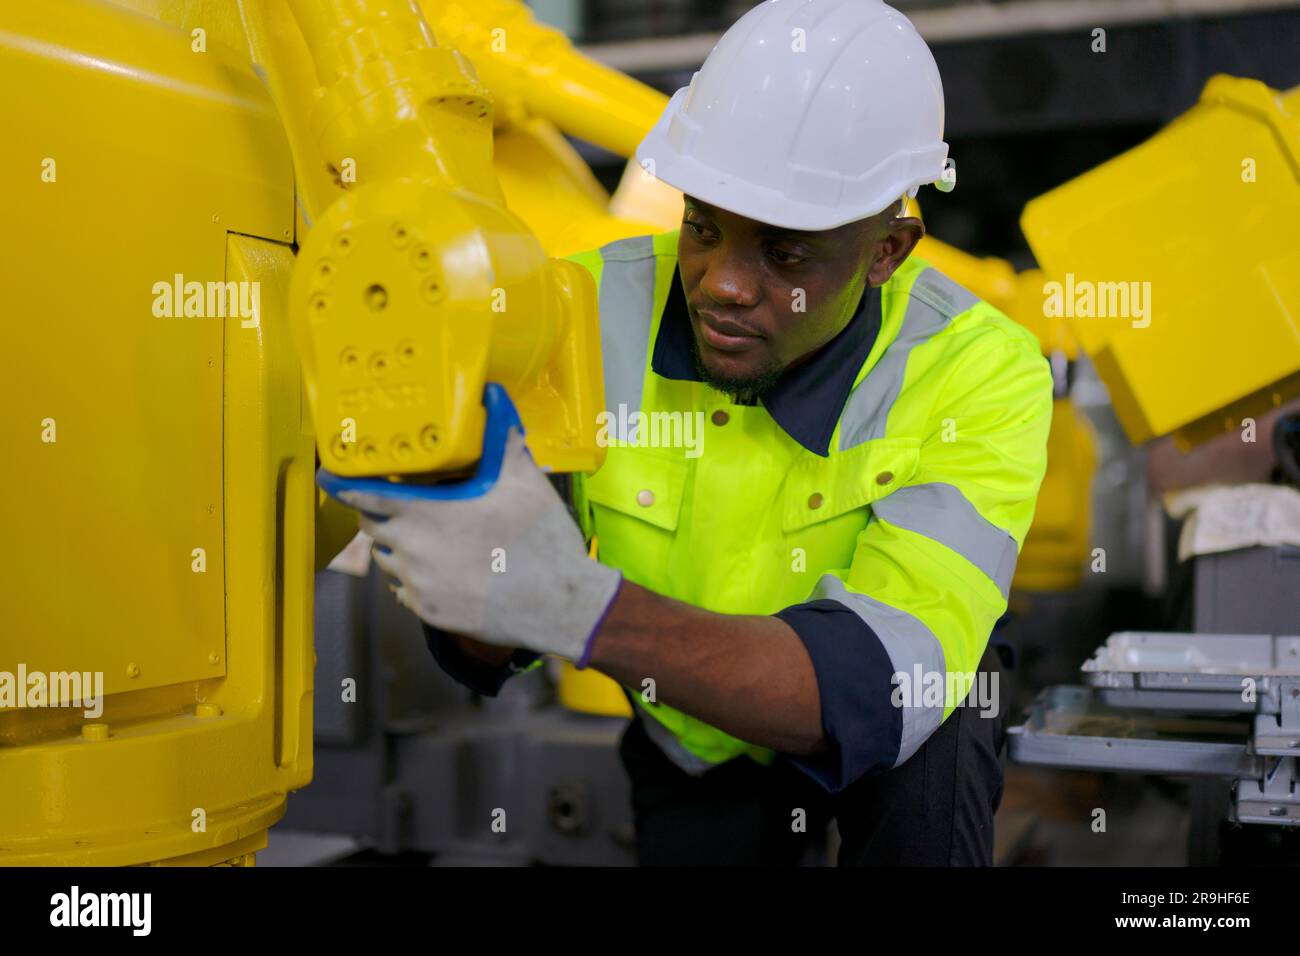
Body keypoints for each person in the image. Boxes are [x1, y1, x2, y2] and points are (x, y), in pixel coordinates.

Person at [337, 0, 1053, 866]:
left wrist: (582, 608)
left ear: (887, 252)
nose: (721, 285)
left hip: (898, 733)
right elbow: (495, 643)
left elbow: (880, 687)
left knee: (942, 727)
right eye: (703, 229)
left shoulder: (979, 371)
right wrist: (471, 571)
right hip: (695, 732)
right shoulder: (578, 311)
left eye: (784, 253)